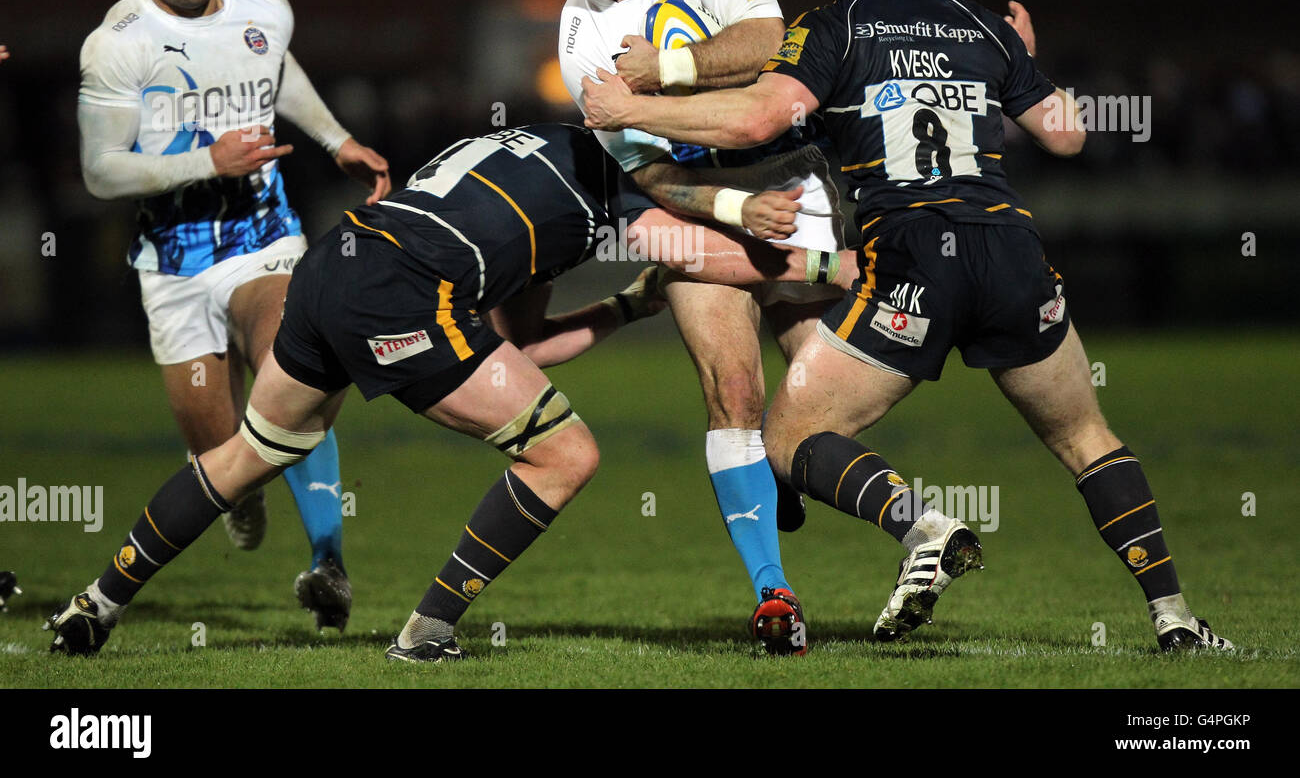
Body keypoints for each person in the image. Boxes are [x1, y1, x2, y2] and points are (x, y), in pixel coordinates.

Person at [582, 0, 1232, 652]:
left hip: (915, 261)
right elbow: (1067, 133)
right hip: (1010, 251)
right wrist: (1022, 62)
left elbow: (759, 120)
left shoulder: (835, 27)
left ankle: (922, 525)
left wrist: (634, 108)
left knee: (789, 435)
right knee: (1087, 436)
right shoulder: (981, 24)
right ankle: (1175, 621)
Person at [46, 122, 851, 661]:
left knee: (250, 452)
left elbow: (526, 342)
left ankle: (95, 602)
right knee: (565, 456)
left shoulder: (528, 141)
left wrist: (628, 304)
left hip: (332, 268)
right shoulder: (626, 197)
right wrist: (836, 266)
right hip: (403, 293)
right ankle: (426, 630)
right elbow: (732, 264)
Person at [542, 0, 844, 655]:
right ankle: (773, 594)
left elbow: (769, 37)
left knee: (816, 404)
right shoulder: (578, 37)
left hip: (790, 169)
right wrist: (739, 209)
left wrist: (665, 71)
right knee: (733, 391)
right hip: (712, 205)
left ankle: (830, 493)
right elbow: (649, 174)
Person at [76, 0, 391, 632]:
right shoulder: (118, 43)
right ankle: (238, 494)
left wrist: (337, 140)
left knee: (295, 372)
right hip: (175, 264)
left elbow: (275, 70)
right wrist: (205, 161)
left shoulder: (263, 8)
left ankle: (329, 564)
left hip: (264, 238)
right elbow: (100, 170)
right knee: (223, 455)